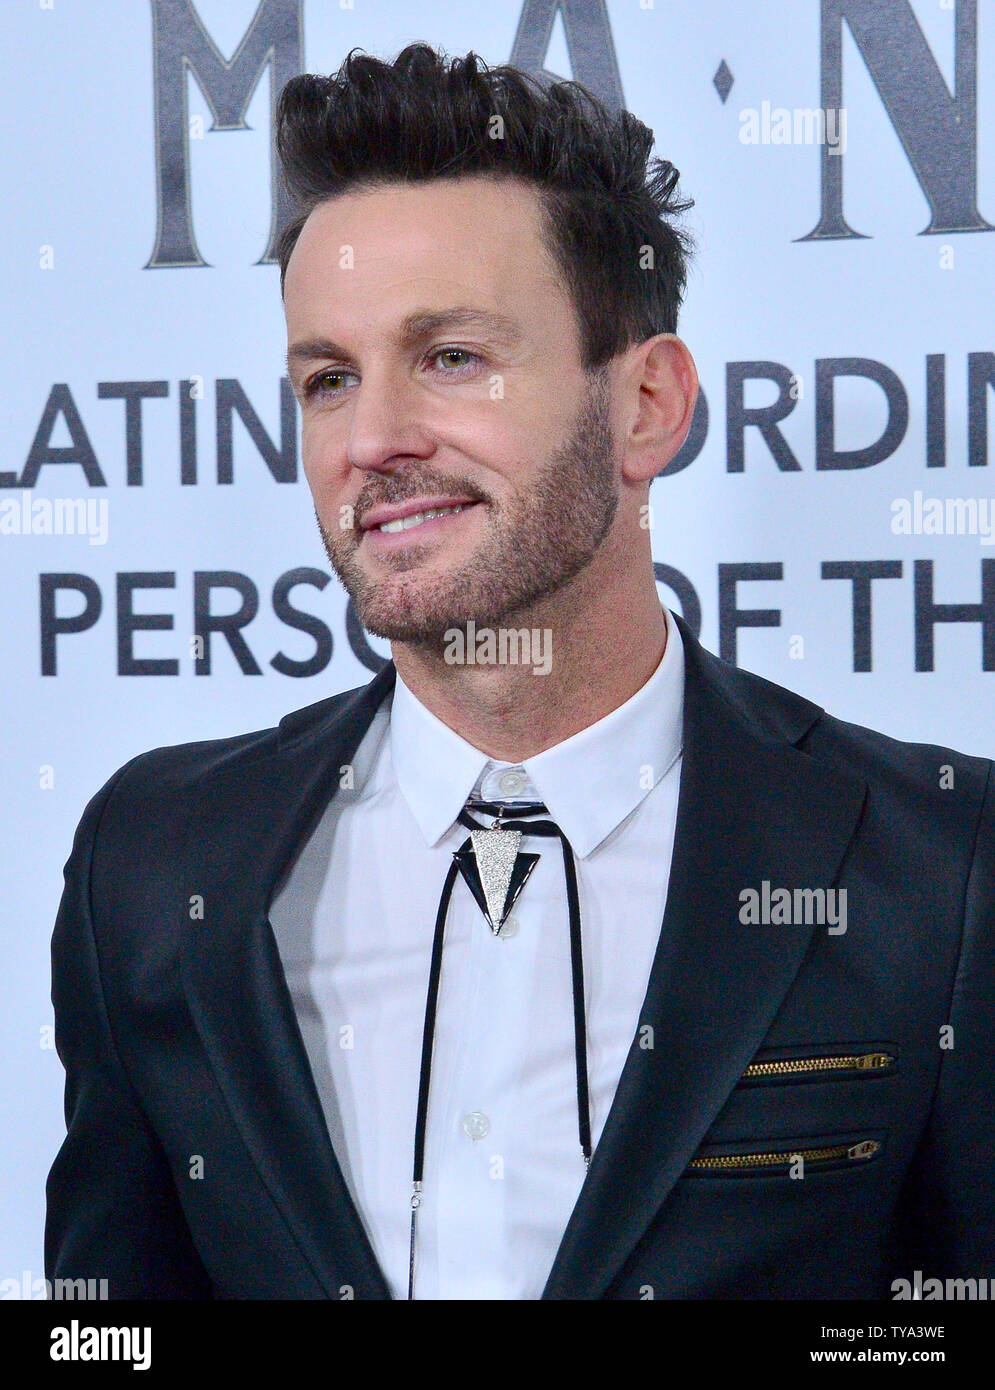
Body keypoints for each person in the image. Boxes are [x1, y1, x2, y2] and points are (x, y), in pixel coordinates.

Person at [46, 43, 994, 1301]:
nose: (373, 440)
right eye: (328, 379)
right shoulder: (155, 864)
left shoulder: (940, 866)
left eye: (449, 357)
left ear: (646, 403)